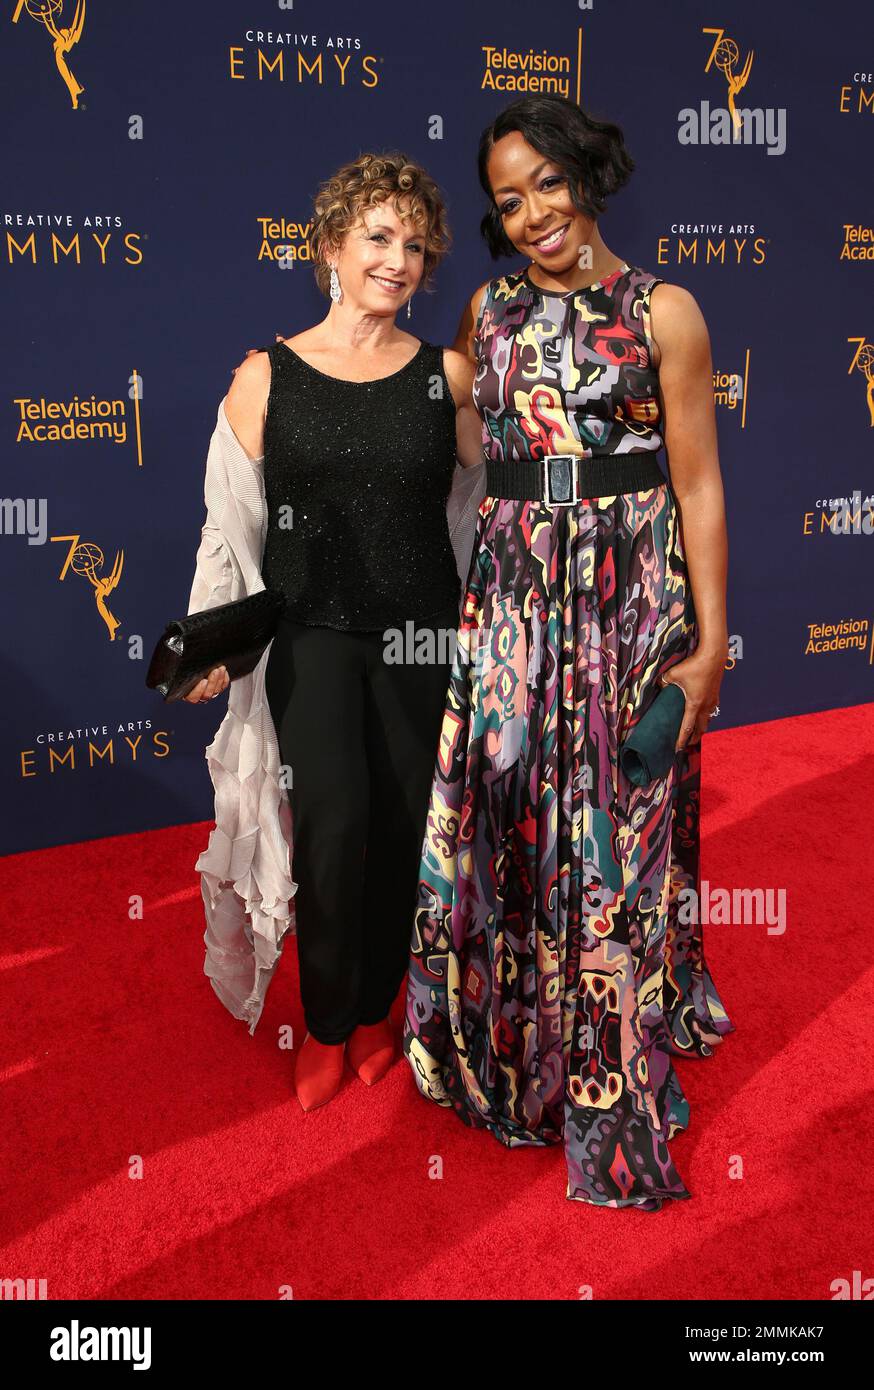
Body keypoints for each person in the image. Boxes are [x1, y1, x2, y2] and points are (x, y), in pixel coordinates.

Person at [403, 95, 735, 1210]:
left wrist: (709, 641)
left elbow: (695, 483)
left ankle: (605, 1070)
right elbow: (466, 436)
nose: (535, 211)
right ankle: (515, 1046)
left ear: (586, 173)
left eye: (548, 182)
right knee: (511, 820)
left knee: (611, 836)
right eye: (510, 199)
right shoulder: (485, 310)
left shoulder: (661, 311)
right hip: (510, 603)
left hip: (625, 602)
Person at [184, 152, 485, 1112]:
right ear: (331, 248)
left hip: (422, 639)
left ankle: (376, 1012)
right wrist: (208, 640)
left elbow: (482, 508)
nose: (398, 261)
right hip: (310, 638)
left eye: (416, 245)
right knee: (330, 827)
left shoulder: (448, 376)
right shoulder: (265, 375)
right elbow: (227, 525)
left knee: (401, 829)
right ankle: (321, 1019)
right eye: (379, 238)